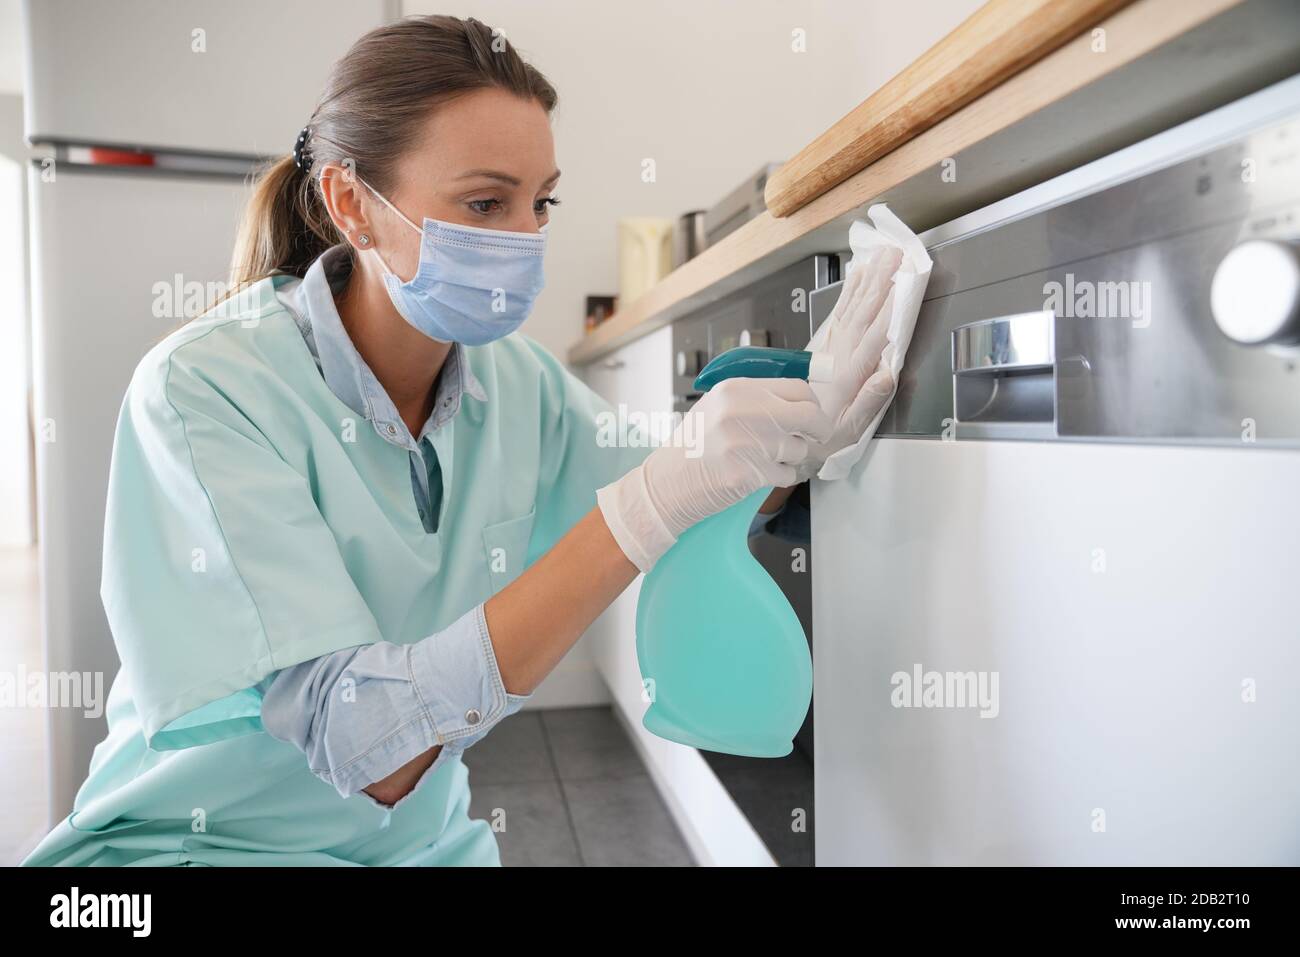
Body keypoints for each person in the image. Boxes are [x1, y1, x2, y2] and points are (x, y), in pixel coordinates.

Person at [23, 14, 897, 866]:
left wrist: (800, 436)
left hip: (423, 845)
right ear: (350, 204)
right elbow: (366, 743)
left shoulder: (517, 383)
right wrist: (654, 497)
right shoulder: (204, 392)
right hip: (196, 847)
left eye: (540, 202)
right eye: (485, 201)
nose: (526, 239)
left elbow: (686, 499)